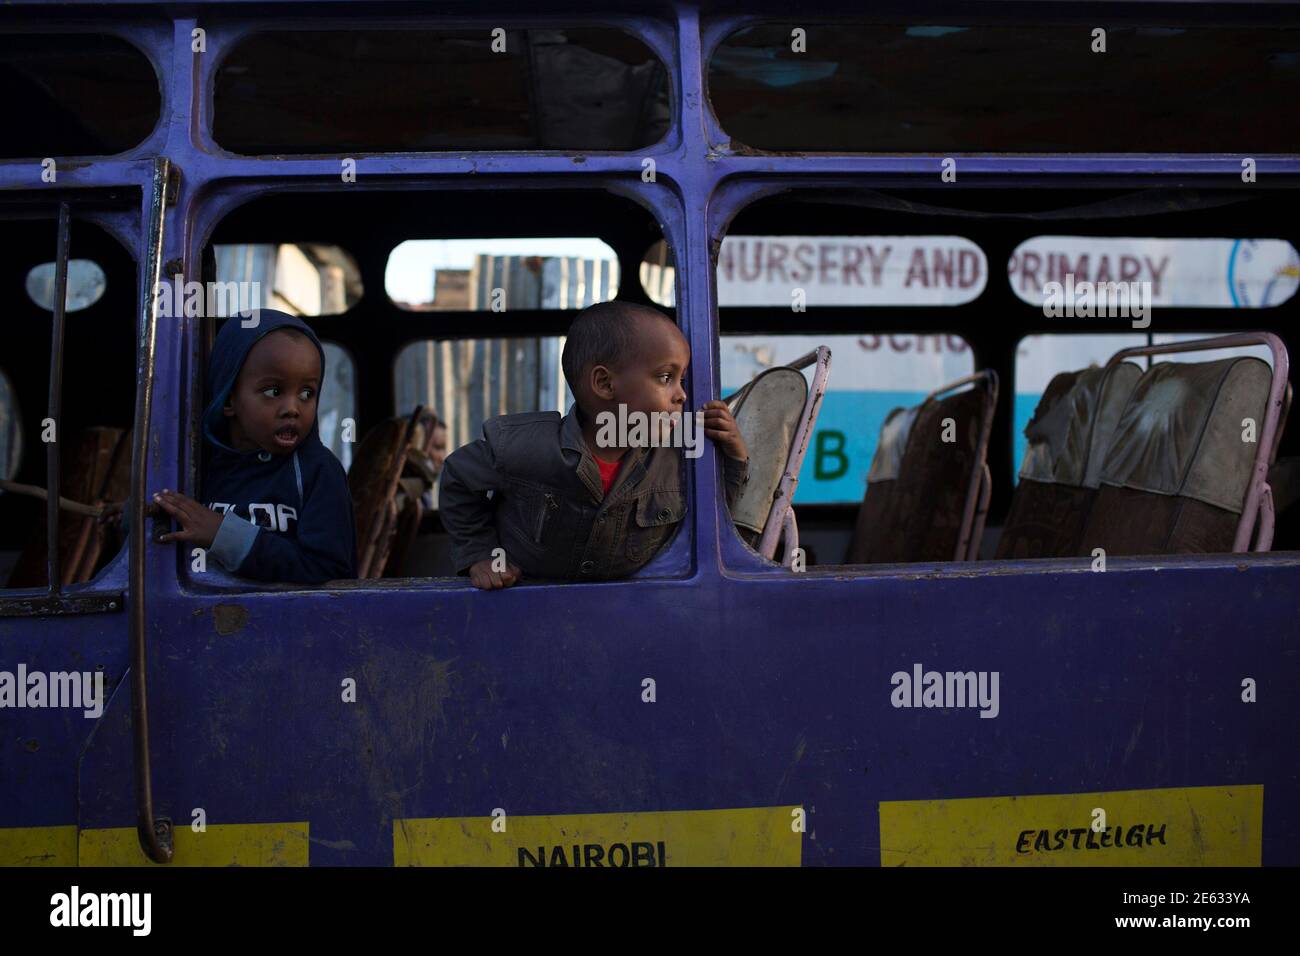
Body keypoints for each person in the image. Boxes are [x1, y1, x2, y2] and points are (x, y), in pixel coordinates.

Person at [440, 301, 748, 589]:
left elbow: (717, 512)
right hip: (524, 609)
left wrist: (734, 454)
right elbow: (458, 476)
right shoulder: (526, 447)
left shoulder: (678, 458)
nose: (681, 395)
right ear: (604, 384)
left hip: (625, 617)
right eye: (666, 377)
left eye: (682, 380)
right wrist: (481, 554)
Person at [148, 309, 357, 584]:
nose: (292, 409)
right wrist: (140, 515)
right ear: (228, 399)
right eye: (273, 392)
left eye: (307, 393)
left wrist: (223, 534)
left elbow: (331, 574)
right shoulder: (195, 462)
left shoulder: (318, 472)